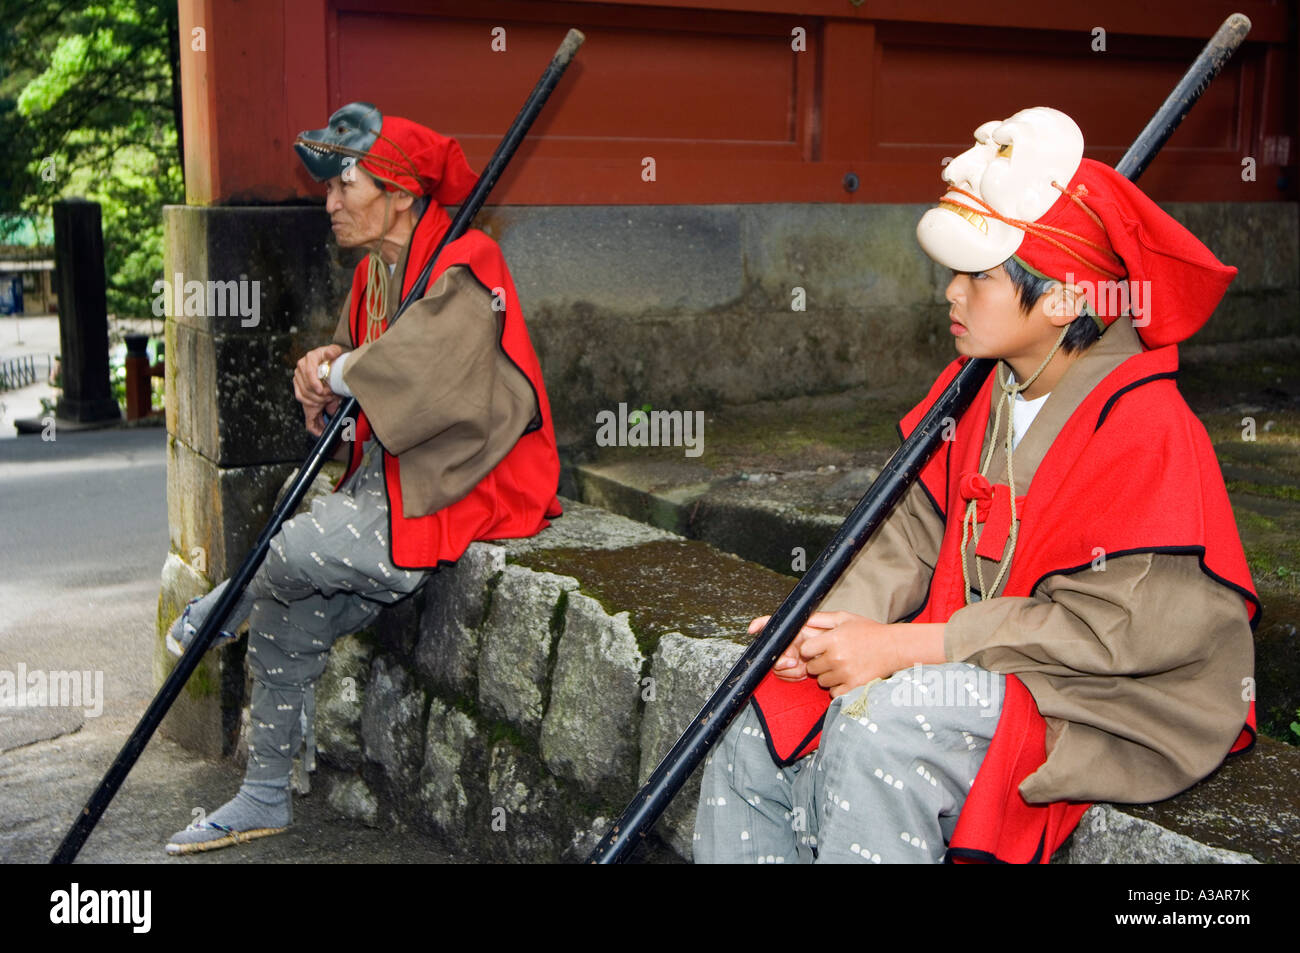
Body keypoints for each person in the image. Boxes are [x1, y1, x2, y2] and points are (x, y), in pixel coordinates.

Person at [693, 106, 1258, 864]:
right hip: (976, 657)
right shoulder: (978, 392)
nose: (951, 294)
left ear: (1063, 297)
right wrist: (827, 625)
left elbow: (1101, 633)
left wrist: (903, 646)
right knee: (753, 706)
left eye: (978, 276)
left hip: (1101, 696)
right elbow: (908, 537)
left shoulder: (1147, 427)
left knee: (882, 723)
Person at [163, 102, 562, 854]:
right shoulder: (375, 275)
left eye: (346, 184)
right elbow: (351, 371)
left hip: (460, 484)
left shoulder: (467, 261)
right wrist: (319, 377)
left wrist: (340, 371)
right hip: (389, 480)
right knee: (288, 603)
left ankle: (224, 604)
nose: (330, 202)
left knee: (282, 552)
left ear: (402, 194)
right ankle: (261, 794)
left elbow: (418, 374)